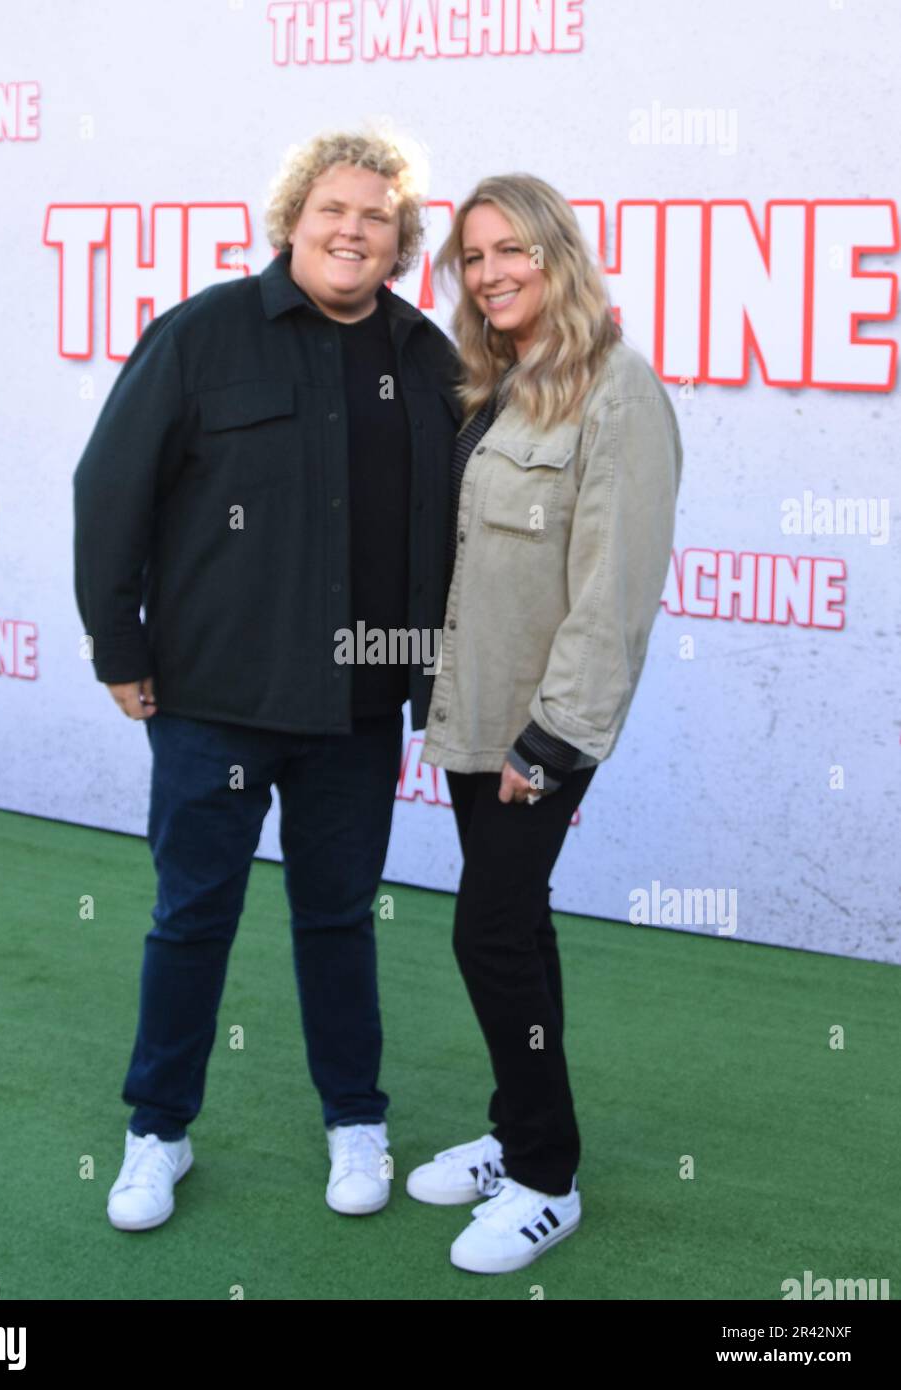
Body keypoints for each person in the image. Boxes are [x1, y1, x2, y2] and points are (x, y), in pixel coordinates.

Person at [72, 128, 463, 1231]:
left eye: (377, 216)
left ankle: (355, 1119)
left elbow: (451, 532)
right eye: (333, 209)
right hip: (214, 706)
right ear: (292, 217)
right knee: (192, 918)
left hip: (358, 711)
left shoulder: (427, 358)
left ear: (401, 240)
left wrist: (437, 689)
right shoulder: (200, 337)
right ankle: (157, 1132)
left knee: (338, 917)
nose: (352, 230)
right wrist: (120, 647)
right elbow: (109, 495)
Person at [412, 174, 684, 1274]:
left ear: (557, 253)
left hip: (541, 728)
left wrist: (552, 739)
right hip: (478, 706)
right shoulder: (495, 385)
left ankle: (546, 1178)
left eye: (511, 250)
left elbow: (615, 588)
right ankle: (513, 1128)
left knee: (486, 931)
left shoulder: (618, 390)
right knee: (518, 928)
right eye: (473, 257)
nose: (491, 273)